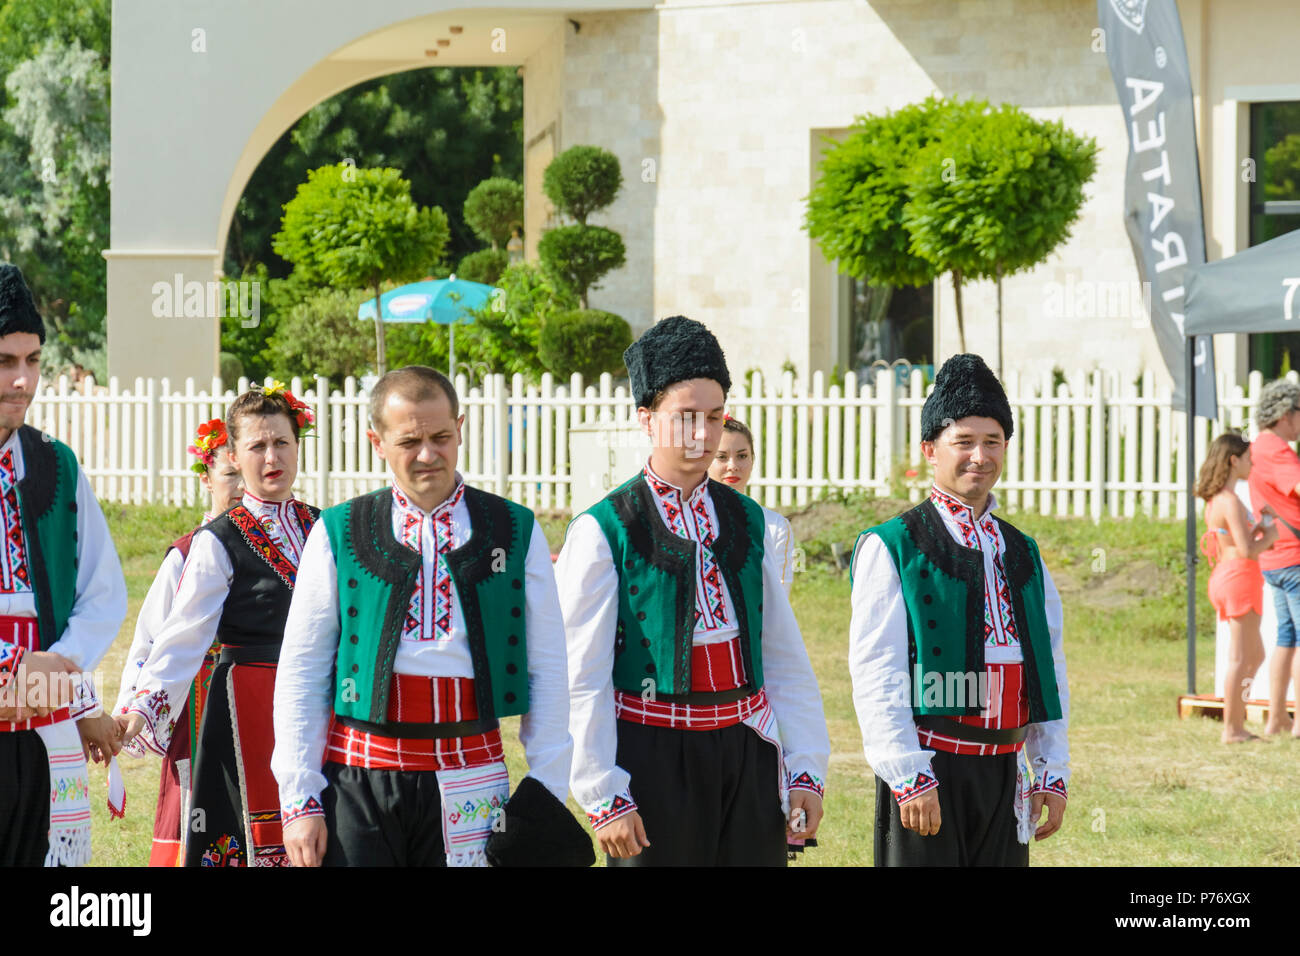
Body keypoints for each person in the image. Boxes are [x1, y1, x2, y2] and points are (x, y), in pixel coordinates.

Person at [273, 366, 586, 868]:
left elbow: (547, 663)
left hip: (472, 773)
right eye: (409, 440)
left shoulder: (513, 529)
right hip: (360, 773)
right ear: (377, 442)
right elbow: (303, 669)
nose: (427, 454)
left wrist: (547, 785)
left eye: (441, 436)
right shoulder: (339, 530)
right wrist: (300, 798)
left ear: (460, 428)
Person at [557, 315, 830, 866]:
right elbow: (578, 674)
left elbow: (782, 654)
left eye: (714, 416)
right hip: (652, 756)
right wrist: (603, 791)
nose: (704, 435)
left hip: (748, 749)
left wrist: (805, 765)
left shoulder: (751, 521)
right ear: (647, 419)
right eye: (686, 418)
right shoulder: (605, 528)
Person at [848, 353, 1069, 866]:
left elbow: (1047, 664)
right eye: (963, 441)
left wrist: (1051, 769)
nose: (979, 456)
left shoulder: (1022, 551)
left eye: (992, 442)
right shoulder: (894, 544)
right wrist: (908, 774)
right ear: (930, 449)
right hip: (931, 766)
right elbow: (876, 670)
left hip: (1005, 771)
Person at [122, 383, 319, 866]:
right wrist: (140, 713)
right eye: (257, 446)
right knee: (249, 841)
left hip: (315, 704)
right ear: (233, 454)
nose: (271, 457)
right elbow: (182, 639)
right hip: (245, 709)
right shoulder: (217, 542)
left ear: (298, 447)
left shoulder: (324, 528)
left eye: (281, 443)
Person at [0, 262, 129, 866]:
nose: (23, 381)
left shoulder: (56, 464)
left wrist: (58, 666)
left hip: (45, 715)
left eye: (32, 361)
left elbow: (103, 592)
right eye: (5, 362)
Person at [112, 418, 243, 864]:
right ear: (206, 479)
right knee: (199, 805)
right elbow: (149, 642)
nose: (242, 486)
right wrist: (133, 709)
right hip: (198, 709)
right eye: (230, 475)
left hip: (259, 702)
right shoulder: (186, 555)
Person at [1196, 431, 1276, 743]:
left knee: (1254, 654)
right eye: (1247, 458)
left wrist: (1257, 528)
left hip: (1229, 576)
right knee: (1241, 656)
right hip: (1239, 576)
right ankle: (1233, 728)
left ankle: (1236, 720)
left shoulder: (1219, 499)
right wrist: (1269, 536)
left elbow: (1231, 538)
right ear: (1234, 460)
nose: (1251, 463)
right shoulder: (1229, 500)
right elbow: (1245, 549)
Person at [1245, 379, 1300, 737]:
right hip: (1295, 556)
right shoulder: (1277, 450)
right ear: (1285, 415)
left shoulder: (1256, 448)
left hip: (1274, 557)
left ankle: (1278, 716)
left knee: (1287, 636)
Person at [708, 414, 797, 594]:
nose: (733, 466)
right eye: (722, 456)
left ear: (752, 459)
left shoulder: (774, 526)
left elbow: (776, 600)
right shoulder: (687, 519)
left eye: (742, 456)